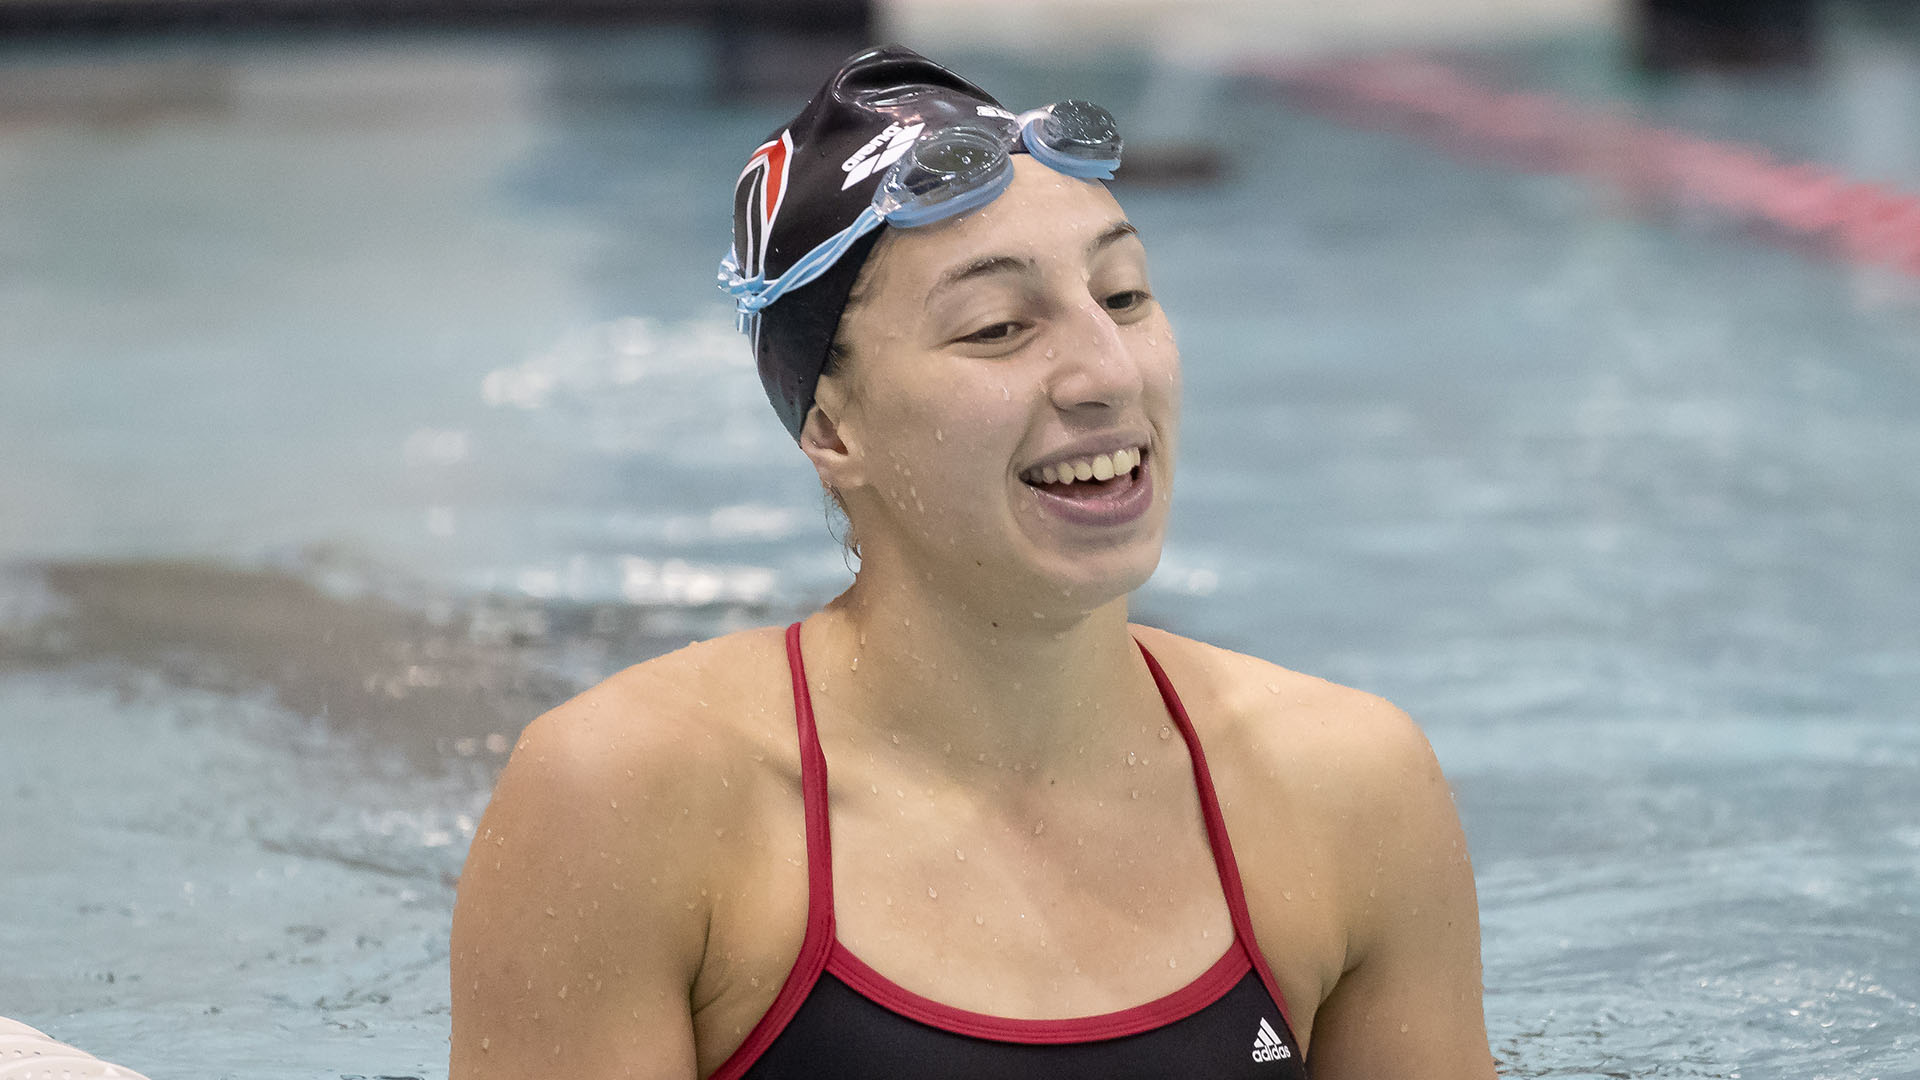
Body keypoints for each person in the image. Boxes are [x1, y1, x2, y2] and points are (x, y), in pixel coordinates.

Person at [450, 45, 1494, 1079]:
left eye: (1123, 296)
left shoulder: (1348, 789)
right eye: (997, 328)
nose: (1107, 371)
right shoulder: (626, 808)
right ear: (832, 427)